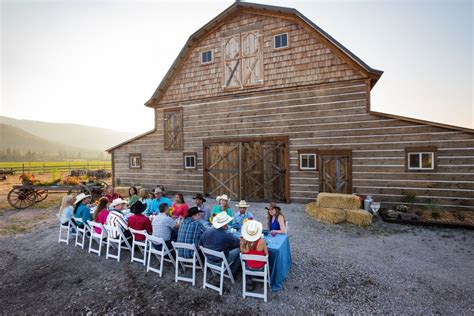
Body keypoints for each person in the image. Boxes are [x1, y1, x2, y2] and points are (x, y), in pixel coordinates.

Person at [240, 220, 269, 290]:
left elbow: (242, 252)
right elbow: (267, 254)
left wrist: (241, 241)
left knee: (246, 261)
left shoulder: (244, 242)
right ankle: (261, 277)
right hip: (260, 267)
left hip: (249, 267)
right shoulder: (262, 241)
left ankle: (249, 278)